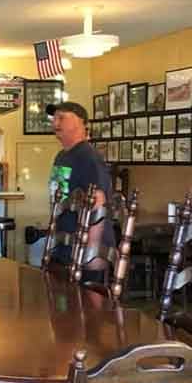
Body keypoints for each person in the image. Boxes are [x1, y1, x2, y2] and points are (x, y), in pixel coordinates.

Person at [46, 101, 114, 269]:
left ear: (81, 122)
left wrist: (91, 252)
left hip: (84, 252)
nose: (55, 123)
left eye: (61, 118)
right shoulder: (61, 155)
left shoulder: (88, 156)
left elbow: (98, 200)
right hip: (64, 247)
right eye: (54, 118)